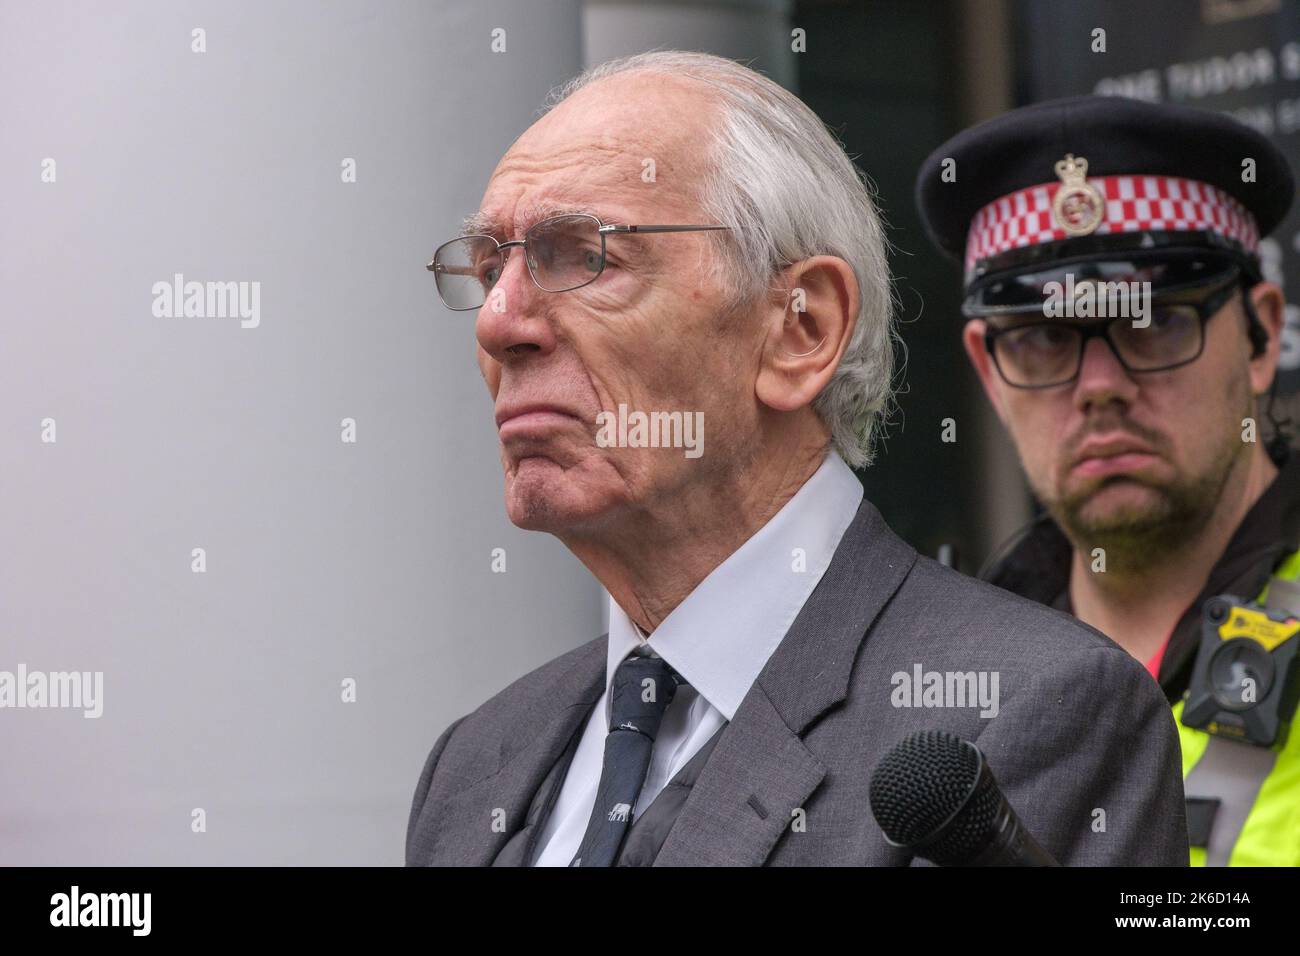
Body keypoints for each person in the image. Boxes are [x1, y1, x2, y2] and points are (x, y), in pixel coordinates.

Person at [406, 52, 1186, 867]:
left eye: (583, 254)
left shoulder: (1034, 709)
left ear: (800, 329)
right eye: (492, 266)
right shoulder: (475, 763)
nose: (499, 322)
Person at [916, 94, 1300, 866]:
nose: (1099, 386)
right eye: (1045, 339)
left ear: (1260, 336)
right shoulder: (946, 674)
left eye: (1153, 321)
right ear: (988, 373)